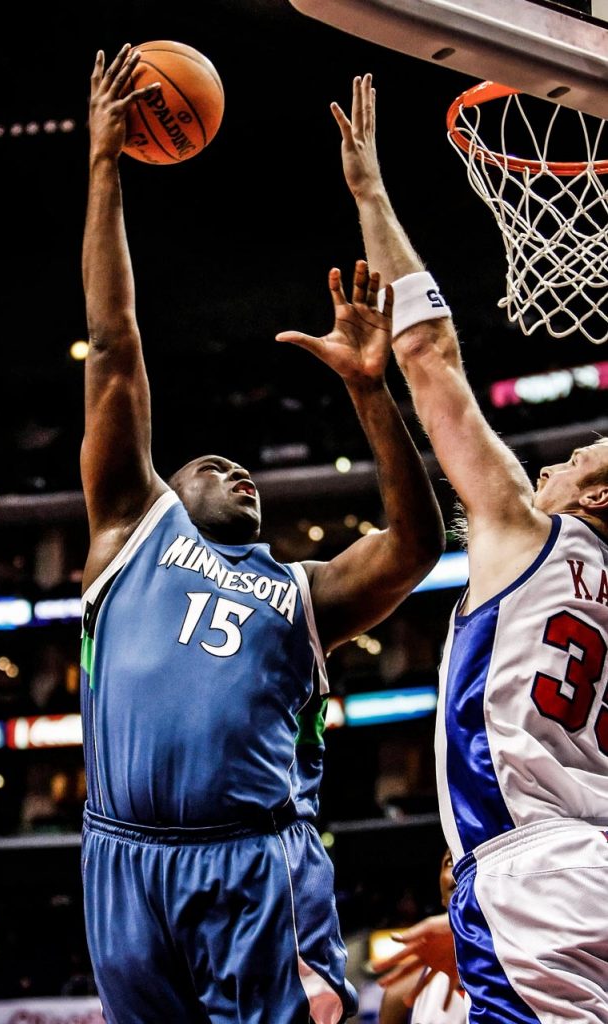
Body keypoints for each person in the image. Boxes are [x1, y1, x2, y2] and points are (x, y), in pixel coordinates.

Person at [78, 44, 445, 1024]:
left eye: (246, 474)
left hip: (252, 862)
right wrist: (103, 168)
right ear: (167, 485)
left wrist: (370, 394)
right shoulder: (128, 531)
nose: (236, 470)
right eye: (211, 464)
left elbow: (414, 542)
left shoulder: (296, 590)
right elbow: (115, 344)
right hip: (118, 855)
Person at [329, 72, 608, 1023]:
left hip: (540, 875)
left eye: (580, 456)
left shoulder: (530, 532)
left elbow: (431, 356)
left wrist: (371, 194)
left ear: (596, 498)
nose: (562, 454)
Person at [378, 847, 466, 1024]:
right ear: (442, 896)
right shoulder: (400, 996)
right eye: (450, 861)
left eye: (467, 857)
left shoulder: (527, 956)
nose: (458, 868)